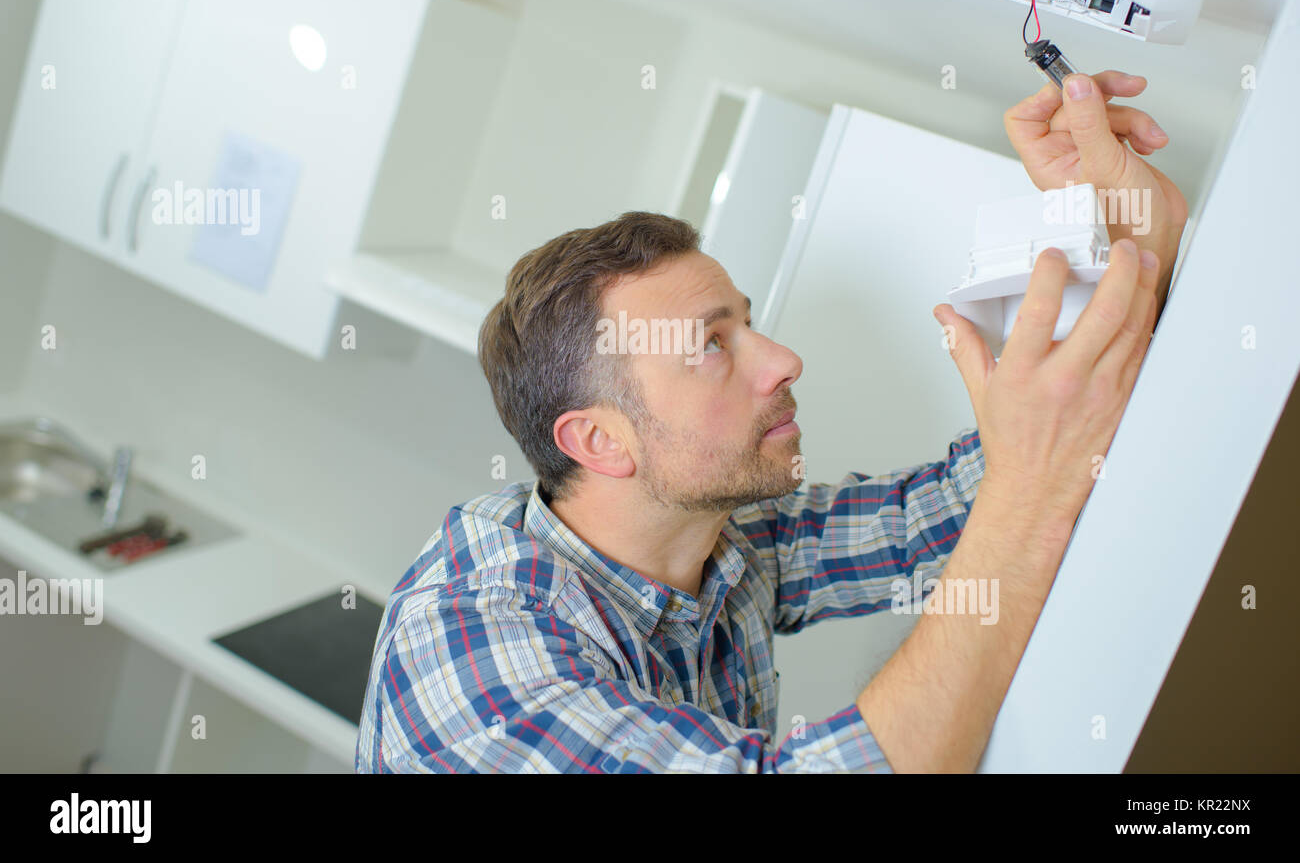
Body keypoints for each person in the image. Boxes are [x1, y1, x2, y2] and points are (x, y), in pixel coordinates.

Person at [356, 71, 1186, 772]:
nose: (782, 359)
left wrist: (1127, 247)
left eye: (746, 322)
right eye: (712, 345)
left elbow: (929, 519)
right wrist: (1029, 485)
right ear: (600, 440)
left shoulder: (718, 532)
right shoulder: (472, 654)